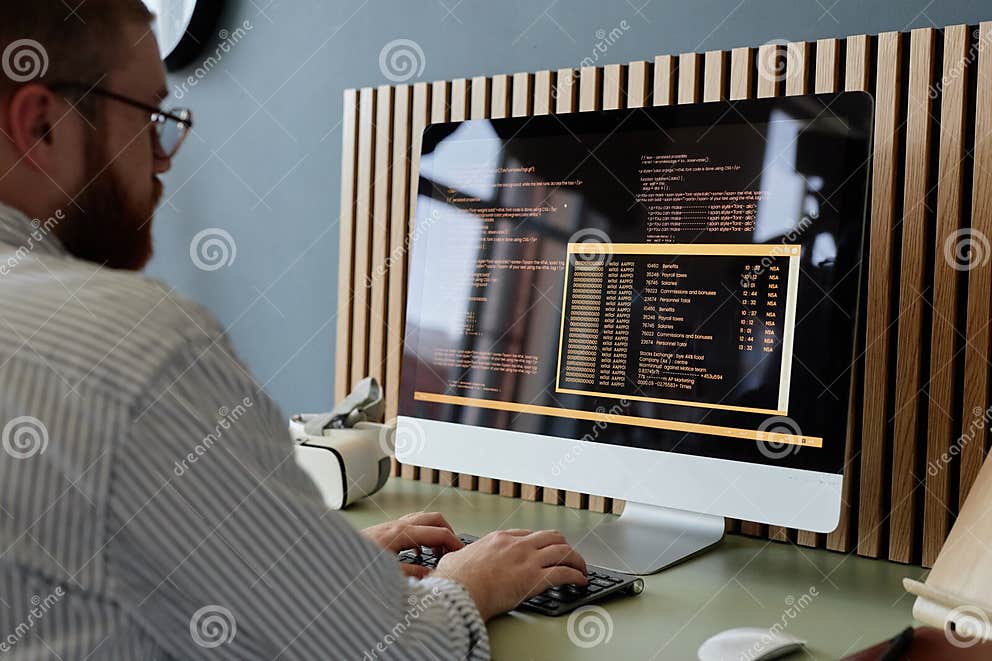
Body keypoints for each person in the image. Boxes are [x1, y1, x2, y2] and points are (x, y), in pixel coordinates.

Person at [0, 3, 587, 659]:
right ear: (41, 123)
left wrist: (305, 566)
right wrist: (464, 585)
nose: (162, 162)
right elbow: (392, 650)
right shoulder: (136, 344)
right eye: (148, 121)